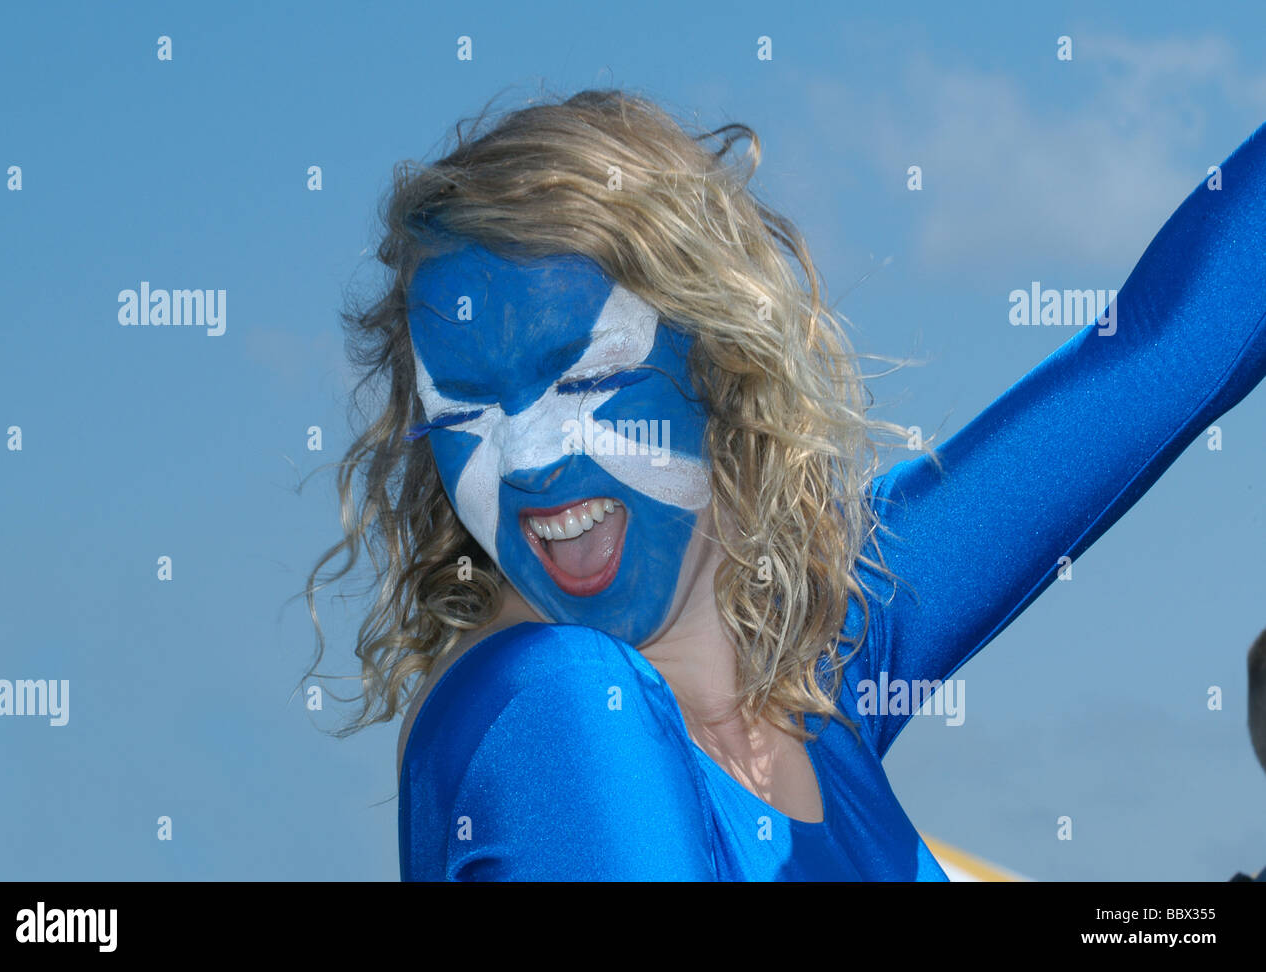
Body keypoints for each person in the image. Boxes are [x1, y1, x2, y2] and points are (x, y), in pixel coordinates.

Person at [306, 89, 1266, 880]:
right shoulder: (553, 701)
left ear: (721, 366)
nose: (528, 461)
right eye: (467, 408)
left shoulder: (828, 642)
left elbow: (1170, 348)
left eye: (590, 378)